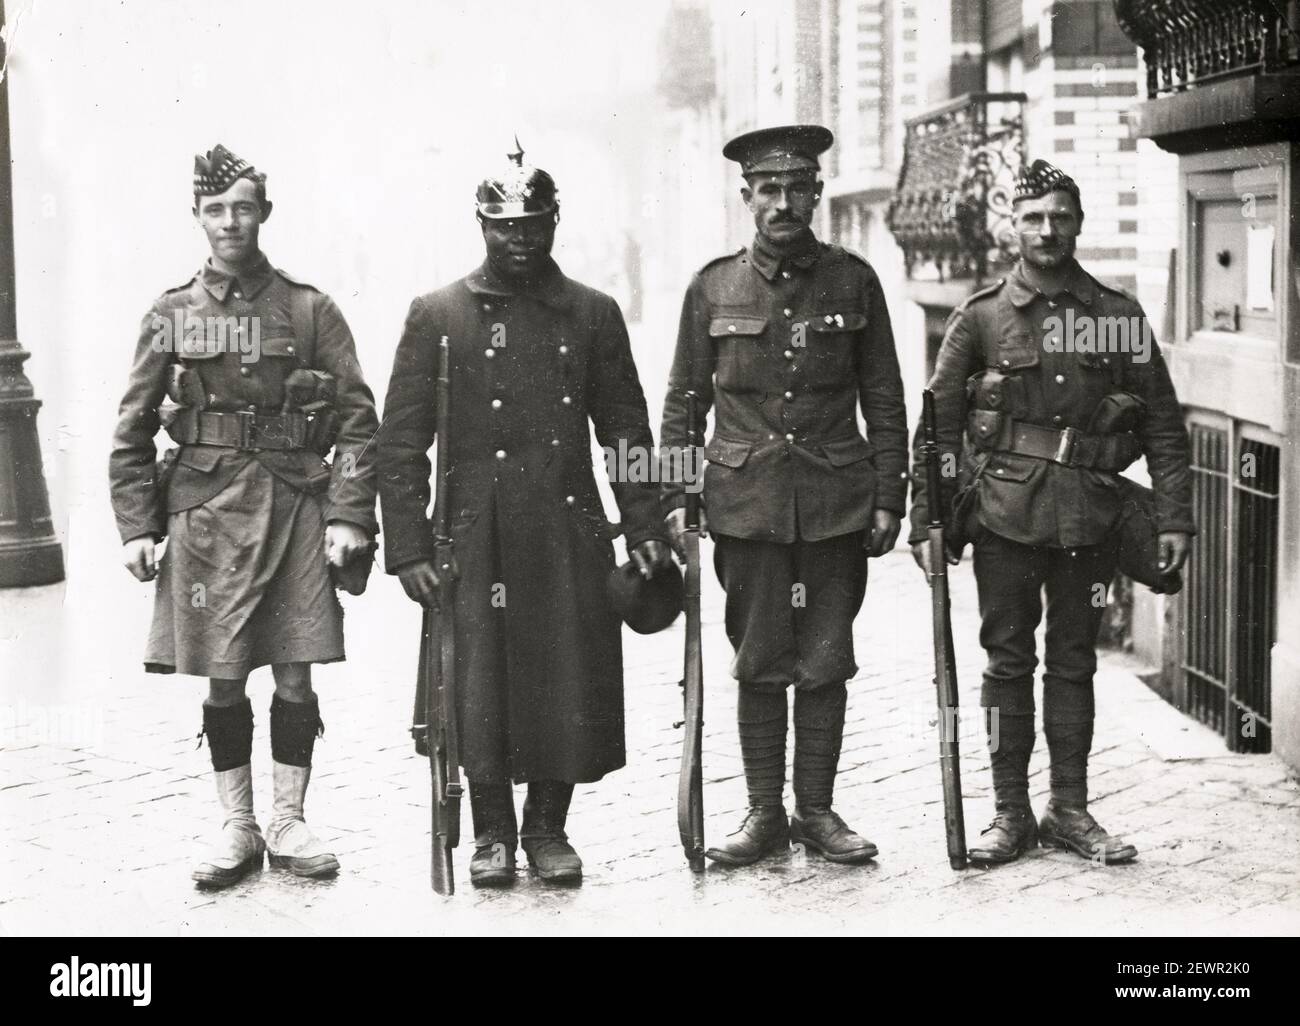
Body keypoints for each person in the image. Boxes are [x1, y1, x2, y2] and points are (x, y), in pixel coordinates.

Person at [377, 141, 673, 888]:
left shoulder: (594, 314)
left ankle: (547, 827)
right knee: (476, 684)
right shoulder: (436, 315)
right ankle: (490, 834)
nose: (520, 239)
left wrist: (644, 528)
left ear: (554, 222)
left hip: (567, 527)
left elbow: (628, 431)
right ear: (480, 224)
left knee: (563, 678)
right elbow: (401, 442)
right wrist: (409, 545)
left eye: (533, 223)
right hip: (473, 535)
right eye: (504, 225)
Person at [908, 159, 1194, 866]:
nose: (1046, 230)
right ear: (1013, 227)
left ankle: (1068, 808)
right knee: (1007, 663)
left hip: (1088, 519)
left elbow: (1162, 423)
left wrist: (1176, 519)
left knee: (1073, 662)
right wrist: (929, 519)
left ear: (1078, 223)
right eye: (1033, 217)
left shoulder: (1116, 317)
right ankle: (1011, 815)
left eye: (1060, 216)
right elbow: (939, 428)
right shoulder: (979, 318)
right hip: (1004, 513)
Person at [109, 144, 379, 888]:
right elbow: (132, 425)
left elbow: (359, 421)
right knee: (223, 678)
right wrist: (137, 526)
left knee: (294, 669)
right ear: (198, 217)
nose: (231, 222)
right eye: (216, 210)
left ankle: (290, 820)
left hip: (294, 502)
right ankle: (237, 825)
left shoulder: (308, 308)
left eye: (244, 207)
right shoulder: (170, 313)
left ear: (265, 211)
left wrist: (350, 513)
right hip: (205, 512)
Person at [660, 125, 909, 867]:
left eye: (798, 187)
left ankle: (818, 813)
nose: (783, 202)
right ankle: (764, 813)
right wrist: (676, 492)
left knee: (827, 657)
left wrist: (890, 495)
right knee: (761, 658)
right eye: (768, 190)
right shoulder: (712, 286)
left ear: (817, 193)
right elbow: (679, 401)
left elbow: (885, 396)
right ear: (747, 198)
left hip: (836, 500)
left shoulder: (853, 281)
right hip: (748, 504)